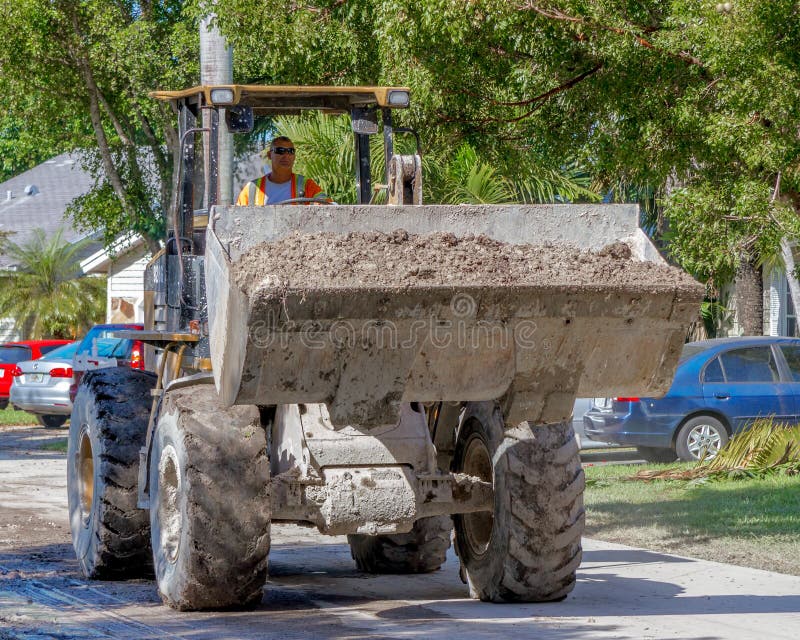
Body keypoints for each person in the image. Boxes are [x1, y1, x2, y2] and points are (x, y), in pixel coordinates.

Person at [235, 136, 328, 205]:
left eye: (290, 151)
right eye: (280, 150)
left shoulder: (306, 185)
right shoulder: (252, 189)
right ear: (269, 155)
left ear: (294, 156)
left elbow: (327, 206)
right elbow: (238, 218)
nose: (286, 156)